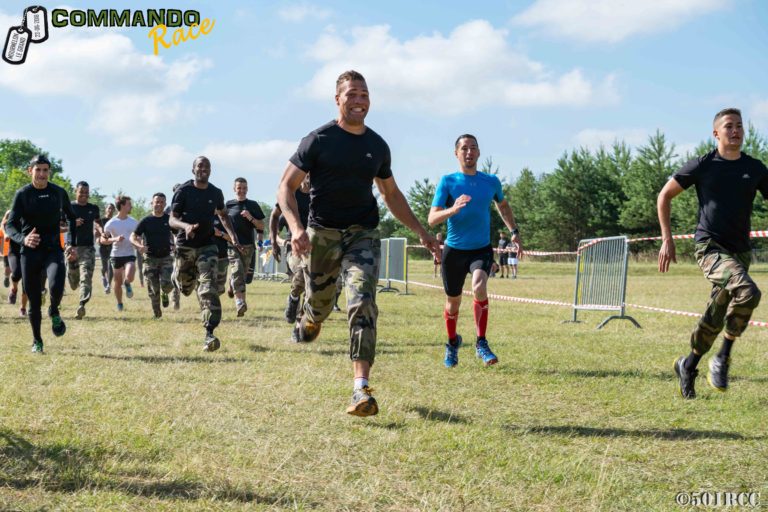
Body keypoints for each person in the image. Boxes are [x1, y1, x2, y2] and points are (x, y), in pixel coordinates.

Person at [277, 70, 439, 417]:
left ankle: (360, 389)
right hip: (322, 235)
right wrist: (294, 227)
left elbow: (391, 193)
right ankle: (309, 318)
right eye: (351, 94)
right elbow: (285, 186)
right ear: (337, 99)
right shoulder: (318, 140)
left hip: (362, 233)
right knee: (319, 305)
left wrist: (421, 232)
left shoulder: (376, 146)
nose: (359, 100)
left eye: (364, 94)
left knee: (362, 300)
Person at [658, 107, 768, 399]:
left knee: (717, 311)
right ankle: (723, 357)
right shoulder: (703, 165)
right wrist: (667, 238)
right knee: (748, 291)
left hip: (739, 251)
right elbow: (664, 195)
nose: (736, 131)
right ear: (716, 133)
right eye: (729, 126)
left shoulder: (755, 168)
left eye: (740, 126)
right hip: (710, 248)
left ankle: (688, 364)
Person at [428, 134, 523, 369]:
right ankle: (452, 343)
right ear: (456, 153)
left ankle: (481, 342)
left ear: (479, 153)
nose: (469, 152)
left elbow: (503, 206)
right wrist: (453, 209)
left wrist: (514, 231)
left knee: (480, 286)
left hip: (480, 249)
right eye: (464, 148)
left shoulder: (491, 181)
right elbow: (432, 219)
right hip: (454, 250)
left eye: (473, 148)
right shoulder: (448, 181)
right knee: (453, 303)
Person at [5, 155, 80, 353]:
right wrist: (23, 239)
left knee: (56, 286)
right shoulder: (23, 194)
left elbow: (72, 219)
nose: (42, 174)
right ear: (30, 171)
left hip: (53, 250)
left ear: (49, 172)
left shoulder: (58, 192)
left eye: (45, 170)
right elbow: (10, 225)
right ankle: (37, 340)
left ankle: (54, 310)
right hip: (29, 253)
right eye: (38, 170)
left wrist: (71, 243)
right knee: (34, 299)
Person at [170, 156, 242, 352]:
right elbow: (172, 220)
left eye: (207, 166)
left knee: (208, 287)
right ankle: (178, 278)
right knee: (185, 288)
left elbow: (223, 214)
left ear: (210, 170)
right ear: (193, 169)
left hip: (207, 247)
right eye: (200, 166)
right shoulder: (183, 191)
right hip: (185, 247)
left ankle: (210, 331)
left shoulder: (215, 192)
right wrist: (185, 226)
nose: (203, 169)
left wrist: (232, 236)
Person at [270, 174, 311, 324]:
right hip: (293, 248)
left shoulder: (318, 195)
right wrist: (274, 242)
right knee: (302, 273)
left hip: (313, 247)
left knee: (310, 287)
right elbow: (274, 217)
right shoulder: (292, 194)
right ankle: (294, 297)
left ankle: (299, 325)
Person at [225, 177, 265, 317]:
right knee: (237, 270)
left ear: (247, 189)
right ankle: (240, 303)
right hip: (233, 245)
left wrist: (250, 218)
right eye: (239, 188)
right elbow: (222, 223)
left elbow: (261, 226)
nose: (241, 190)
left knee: (241, 275)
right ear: (234, 189)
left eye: (244, 188)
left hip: (248, 247)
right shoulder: (228, 205)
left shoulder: (253, 205)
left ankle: (232, 285)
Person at [130, 193, 174, 318]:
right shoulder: (146, 220)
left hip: (166, 257)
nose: (159, 204)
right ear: (152, 203)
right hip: (150, 259)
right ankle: (157, 313)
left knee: (168, 284)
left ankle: (165, 293)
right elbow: (133, 236)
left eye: (161, 202)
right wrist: (139, 246)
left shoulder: (169, 219)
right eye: (157, 202)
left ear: (165, 204)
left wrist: (176, 245)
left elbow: (176, 233)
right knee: (153, 289)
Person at [66, 181, 102, 319]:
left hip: (87, 248)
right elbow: (59, 225)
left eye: (86, 192)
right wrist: (72, 223)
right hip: (72, 247)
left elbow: (98, 222)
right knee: (74, 283)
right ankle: (71, 270)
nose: (84, 195)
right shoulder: (69, 207)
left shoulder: (93, 208)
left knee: (86, 276)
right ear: (76, 191)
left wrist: (101, 230)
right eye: (81, 192)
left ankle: (82, 304)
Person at [102, 196, 138, 312]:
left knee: (130, 272)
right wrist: (115, 239)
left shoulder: (133, 222)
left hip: (129, 253)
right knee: (117, 281)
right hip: (116, 254)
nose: (131, 206)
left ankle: (127, 283)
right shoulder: (111, 223)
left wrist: (140, 245)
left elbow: (139, 237)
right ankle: (120, 303)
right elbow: (103, 240)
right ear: (122, 206)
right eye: (129, 204)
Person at [98, 203, 115, 293]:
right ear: (105, 209)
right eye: (109, 208)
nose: (110, 210)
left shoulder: (115, 221)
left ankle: (108, 285)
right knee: (104, 267)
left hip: (113, 246)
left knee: (111, 266)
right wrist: (97, 238)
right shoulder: (101, 220)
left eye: (112, 209)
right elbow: (96, 231)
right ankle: (103, 276)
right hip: (103, 246)